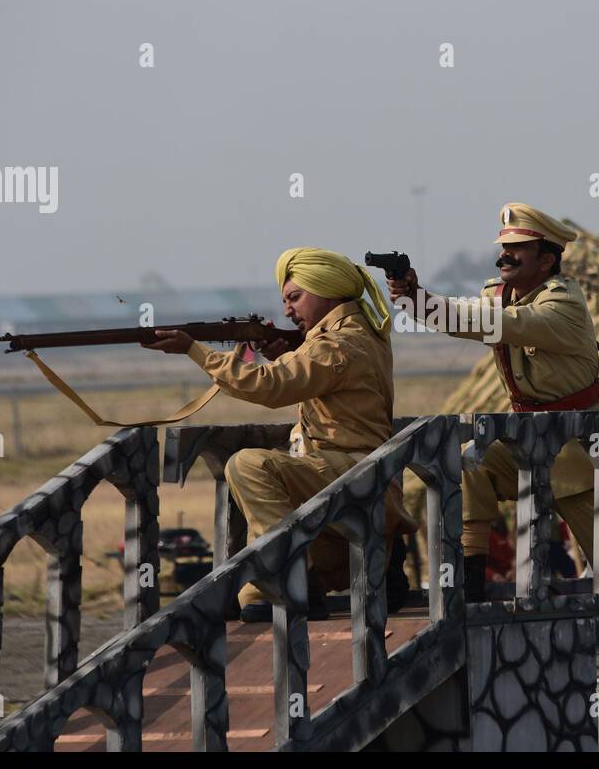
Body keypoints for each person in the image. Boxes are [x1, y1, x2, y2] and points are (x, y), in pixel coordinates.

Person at [384, 202, 599, 601]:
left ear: (548, 260)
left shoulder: (563, 305)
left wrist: (421, 300)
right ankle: (471, 583)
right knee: (471, 462)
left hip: (582, 451)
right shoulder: (499, 296)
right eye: (504, 247)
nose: (505, 255)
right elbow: (468, 315)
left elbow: (497, 324)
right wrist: (413, 298)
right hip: (528, 439)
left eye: (518, 249)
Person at [144, 248, 409, 621]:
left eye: (295, 298)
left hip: (352, 481)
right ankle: (308, 579)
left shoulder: (337, 344)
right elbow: (309, 374)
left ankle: (297, 581)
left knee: (248, 465)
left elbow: (271, 386)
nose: (287, 311)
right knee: (251, 596)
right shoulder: (356, 336)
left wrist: (195, 351)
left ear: (327, 290)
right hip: (351, 491)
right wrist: (288, 352)